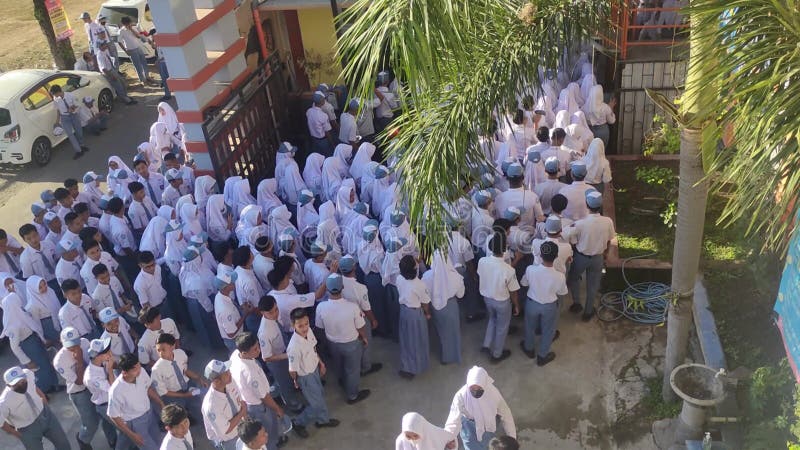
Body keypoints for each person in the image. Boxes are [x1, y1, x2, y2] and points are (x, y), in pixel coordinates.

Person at [315, 274, 371, 404]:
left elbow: (319, 328)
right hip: (351, 343)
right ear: (342, 287)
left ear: (328, 290)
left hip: (333, 343)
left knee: (338, 364)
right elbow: (360, 327)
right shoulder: (352, 307)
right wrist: (364, 337)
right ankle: (352, 395)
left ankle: (342, 380)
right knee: (352, 370)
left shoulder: (321, 307)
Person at [286, 307, 341, 436]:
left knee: (320, 395)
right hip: (305, 377)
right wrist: (295, 381)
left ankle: (323, 420)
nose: (304, 328)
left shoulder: (309, 332)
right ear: (293, 325)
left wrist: (321, 363)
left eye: (306, 324)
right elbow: (292, 369)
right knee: (316, 404)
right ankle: (298, 422)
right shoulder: (293, 347)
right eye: (300, 326)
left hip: (314, 370)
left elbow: (313, 349)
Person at [229, 332, 287, 450]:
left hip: (251, 401)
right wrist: (277, 408)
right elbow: (264, 397)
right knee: (266, 433)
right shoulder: (249, 372)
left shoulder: (236, 355)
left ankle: (275, 441)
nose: (259, 350)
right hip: (260, 406)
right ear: (244, 353)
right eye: (255, 349)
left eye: (258, 346)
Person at [567, 190, 615, 321]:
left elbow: (571, 237)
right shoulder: (608, 221)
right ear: (600, 206)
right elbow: (610, 239)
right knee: (593, 285)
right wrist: (605, 254)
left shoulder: (580, 224)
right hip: (598, 258)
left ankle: (577, 303)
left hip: (581, 257)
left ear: (587, 205)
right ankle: (588, 312)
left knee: (574, 278)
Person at [444, 366, 516, 450]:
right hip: (469, 427)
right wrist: (448, 438)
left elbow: (506, 414)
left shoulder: (494, 394)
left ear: (484, 384)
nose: (475, 391)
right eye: (472, 388)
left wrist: (512, 438)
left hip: (488, 426)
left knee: (490, 445)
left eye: (479, 388)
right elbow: (453, 419)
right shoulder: (461, 396)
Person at [0, 366, 70, 450]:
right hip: (27, 429)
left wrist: (44, 402)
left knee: (63, 444)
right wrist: (19, 435)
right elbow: (1, 423)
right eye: (16, 385)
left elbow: (34, 387)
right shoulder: (4, 402)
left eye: (22, 381)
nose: (21, 385)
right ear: (8, 385)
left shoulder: (28, 374)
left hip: (45, 415)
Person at [520, 241, 567, 365]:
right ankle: (542, 356)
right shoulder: (560, 276)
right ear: (556, 256)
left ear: (540, 255)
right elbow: (562, 292)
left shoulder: (530, 269)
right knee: (548, 330)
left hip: (532, 304)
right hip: (549, 306)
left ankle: (529, 348)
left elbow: (524, 283)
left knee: (529, 326)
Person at [476, 232, 520, 363]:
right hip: (502, 301)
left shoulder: (482, 261)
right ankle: (497, 354)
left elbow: (480, 275)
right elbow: (513, 291)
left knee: (492, 319)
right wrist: (516, 304)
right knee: (502, 327)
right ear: (505, 249)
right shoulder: (509, 270)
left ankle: (486, 344)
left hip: (487, 298)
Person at [52, 327, 98, 450]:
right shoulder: (59, 361)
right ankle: (83, 439)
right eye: (70, 346)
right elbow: (78, 381)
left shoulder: (85, 342)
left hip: (94, 384)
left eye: (76, 343)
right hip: (80, 392)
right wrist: (78, 361)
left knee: (105, 417)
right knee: (91, 423)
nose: (75, 347)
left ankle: (113, 441)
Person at [107, 353, 165, 450]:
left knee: (160, 442)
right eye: (135, 369)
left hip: (150, 414)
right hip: (136, 423)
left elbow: (148, 388)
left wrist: (161, 403)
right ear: (124, 373)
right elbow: (114, 416)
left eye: (139, 365)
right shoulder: (116, 391)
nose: (139, 370)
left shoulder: (141, 372)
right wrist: (133, 435)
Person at [339, 255, 382, 375]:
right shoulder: (360, 288)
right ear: (353, 268)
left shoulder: (337, 282)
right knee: (365, 342)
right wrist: (373, 320)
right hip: (360, 319)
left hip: (344, 319)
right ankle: (366, 367)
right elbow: (366, 308)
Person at [422, 250, 465, 365]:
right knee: (453, 332)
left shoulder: (426, 276)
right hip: (451, 307)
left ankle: (442, 353)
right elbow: (461, 295)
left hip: (434, 307)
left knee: (440, 332)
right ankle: (452, 356)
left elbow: (424, 295)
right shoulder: (455, 276)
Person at [151, 333, 206, 418]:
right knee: (179, 415)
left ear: (173, 346)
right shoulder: (156, 370)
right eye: (158, 350)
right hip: (173, 396)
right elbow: (164, 392)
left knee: (198, 408)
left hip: (188, 386)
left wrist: (199, 378)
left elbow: (185, 370)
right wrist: (184, 395)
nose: (161, 353)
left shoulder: (180, 354)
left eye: (163, 349)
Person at [394, 255, 431, 379]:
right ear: (415, 269)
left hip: (404, 311)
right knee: (418, 340)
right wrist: (427, 313)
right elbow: (425, 303)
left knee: (406, 339)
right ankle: (418, 365)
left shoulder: (399, 279)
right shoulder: (420, 284)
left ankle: (407, 366)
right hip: (416, 314)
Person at [201, 359, 248, 450]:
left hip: (242, 429)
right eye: (226, 373)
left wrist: (246, 419)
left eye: (228, 371)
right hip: (230, 440)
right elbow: (226, 430)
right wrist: (242, 413)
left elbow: (240, 400)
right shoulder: (211, 406)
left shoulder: (230, 382)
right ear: (217, 381)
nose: (230, 374)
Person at [84, 338, 121, 449]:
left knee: (108, 427)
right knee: (124, 430)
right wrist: (109, 370)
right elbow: (112, 388)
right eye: (106, 351)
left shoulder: (102, 363)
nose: (110, 352)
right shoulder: (91, 377)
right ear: (97, 356)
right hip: (105, 405)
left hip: (110, 401)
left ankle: (113, 443)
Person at [493, 162, 545, 227]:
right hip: (529, 235)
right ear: (523, 178)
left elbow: (497, 219)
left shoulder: (499, 198)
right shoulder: (533, 196)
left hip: (507, 236)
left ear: (507, 178)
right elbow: (540, 218)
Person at [49, 84, 88, 159]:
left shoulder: (70, 95)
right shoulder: (55, 99)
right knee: (70, 134)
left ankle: (82, 146)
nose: (53, 96)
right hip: (64, 117)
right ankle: (78, 151)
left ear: (57, 92)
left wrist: (72, 108)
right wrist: (57, 121)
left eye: (53, 94)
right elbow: (58, 110)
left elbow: (77, 105)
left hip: (73, 115)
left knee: (79, 131)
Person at [96, 41, 137, 105]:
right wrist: (111, 76)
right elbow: (103, 69)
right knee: (119, 86)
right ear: (100, 46)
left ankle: (125, 96)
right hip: (108, 72)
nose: (106, 45)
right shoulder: (100, 55)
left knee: (122, 82)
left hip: (112, 70)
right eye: (104, 45)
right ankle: (126, 100)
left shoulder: (105, 51)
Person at [215, 270, 247, 351]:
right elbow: (231, 333)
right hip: (235, 340)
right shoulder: (225, 310)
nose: (234, 282)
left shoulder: (220, 295)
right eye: (231, 282)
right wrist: (245, 315)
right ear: (225, 287)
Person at [24, 276, 62, 344]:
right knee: (59, 343)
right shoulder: (32, 305)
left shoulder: (50, 291)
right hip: (49, 326)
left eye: (44, 284)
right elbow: (36, 323)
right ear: (33, 289)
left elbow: (58, 305)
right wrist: (42, 338)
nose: (44, 288)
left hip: (59, 319)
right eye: (40, 287)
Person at [135, 251, 171, 318]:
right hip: (155, 309)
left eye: (153, 264)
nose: (152, 268)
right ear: (140, 265)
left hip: (166, 302)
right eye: (148, 267)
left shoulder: (157, 268)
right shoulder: (139, 283)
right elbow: (145, 304)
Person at [119, 16, 154, 84]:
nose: (128, 25)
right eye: (127, 24)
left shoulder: (133, 27)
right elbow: (119, 42)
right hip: (131, 50)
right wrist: (126, 51)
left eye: (129, 23)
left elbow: (138, 36)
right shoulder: (121, 31)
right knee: (137, 65)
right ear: (124, 24)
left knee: (144, 63)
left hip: (138, 47)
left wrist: (132, 29)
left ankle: (147, 76)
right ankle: (142, 80)